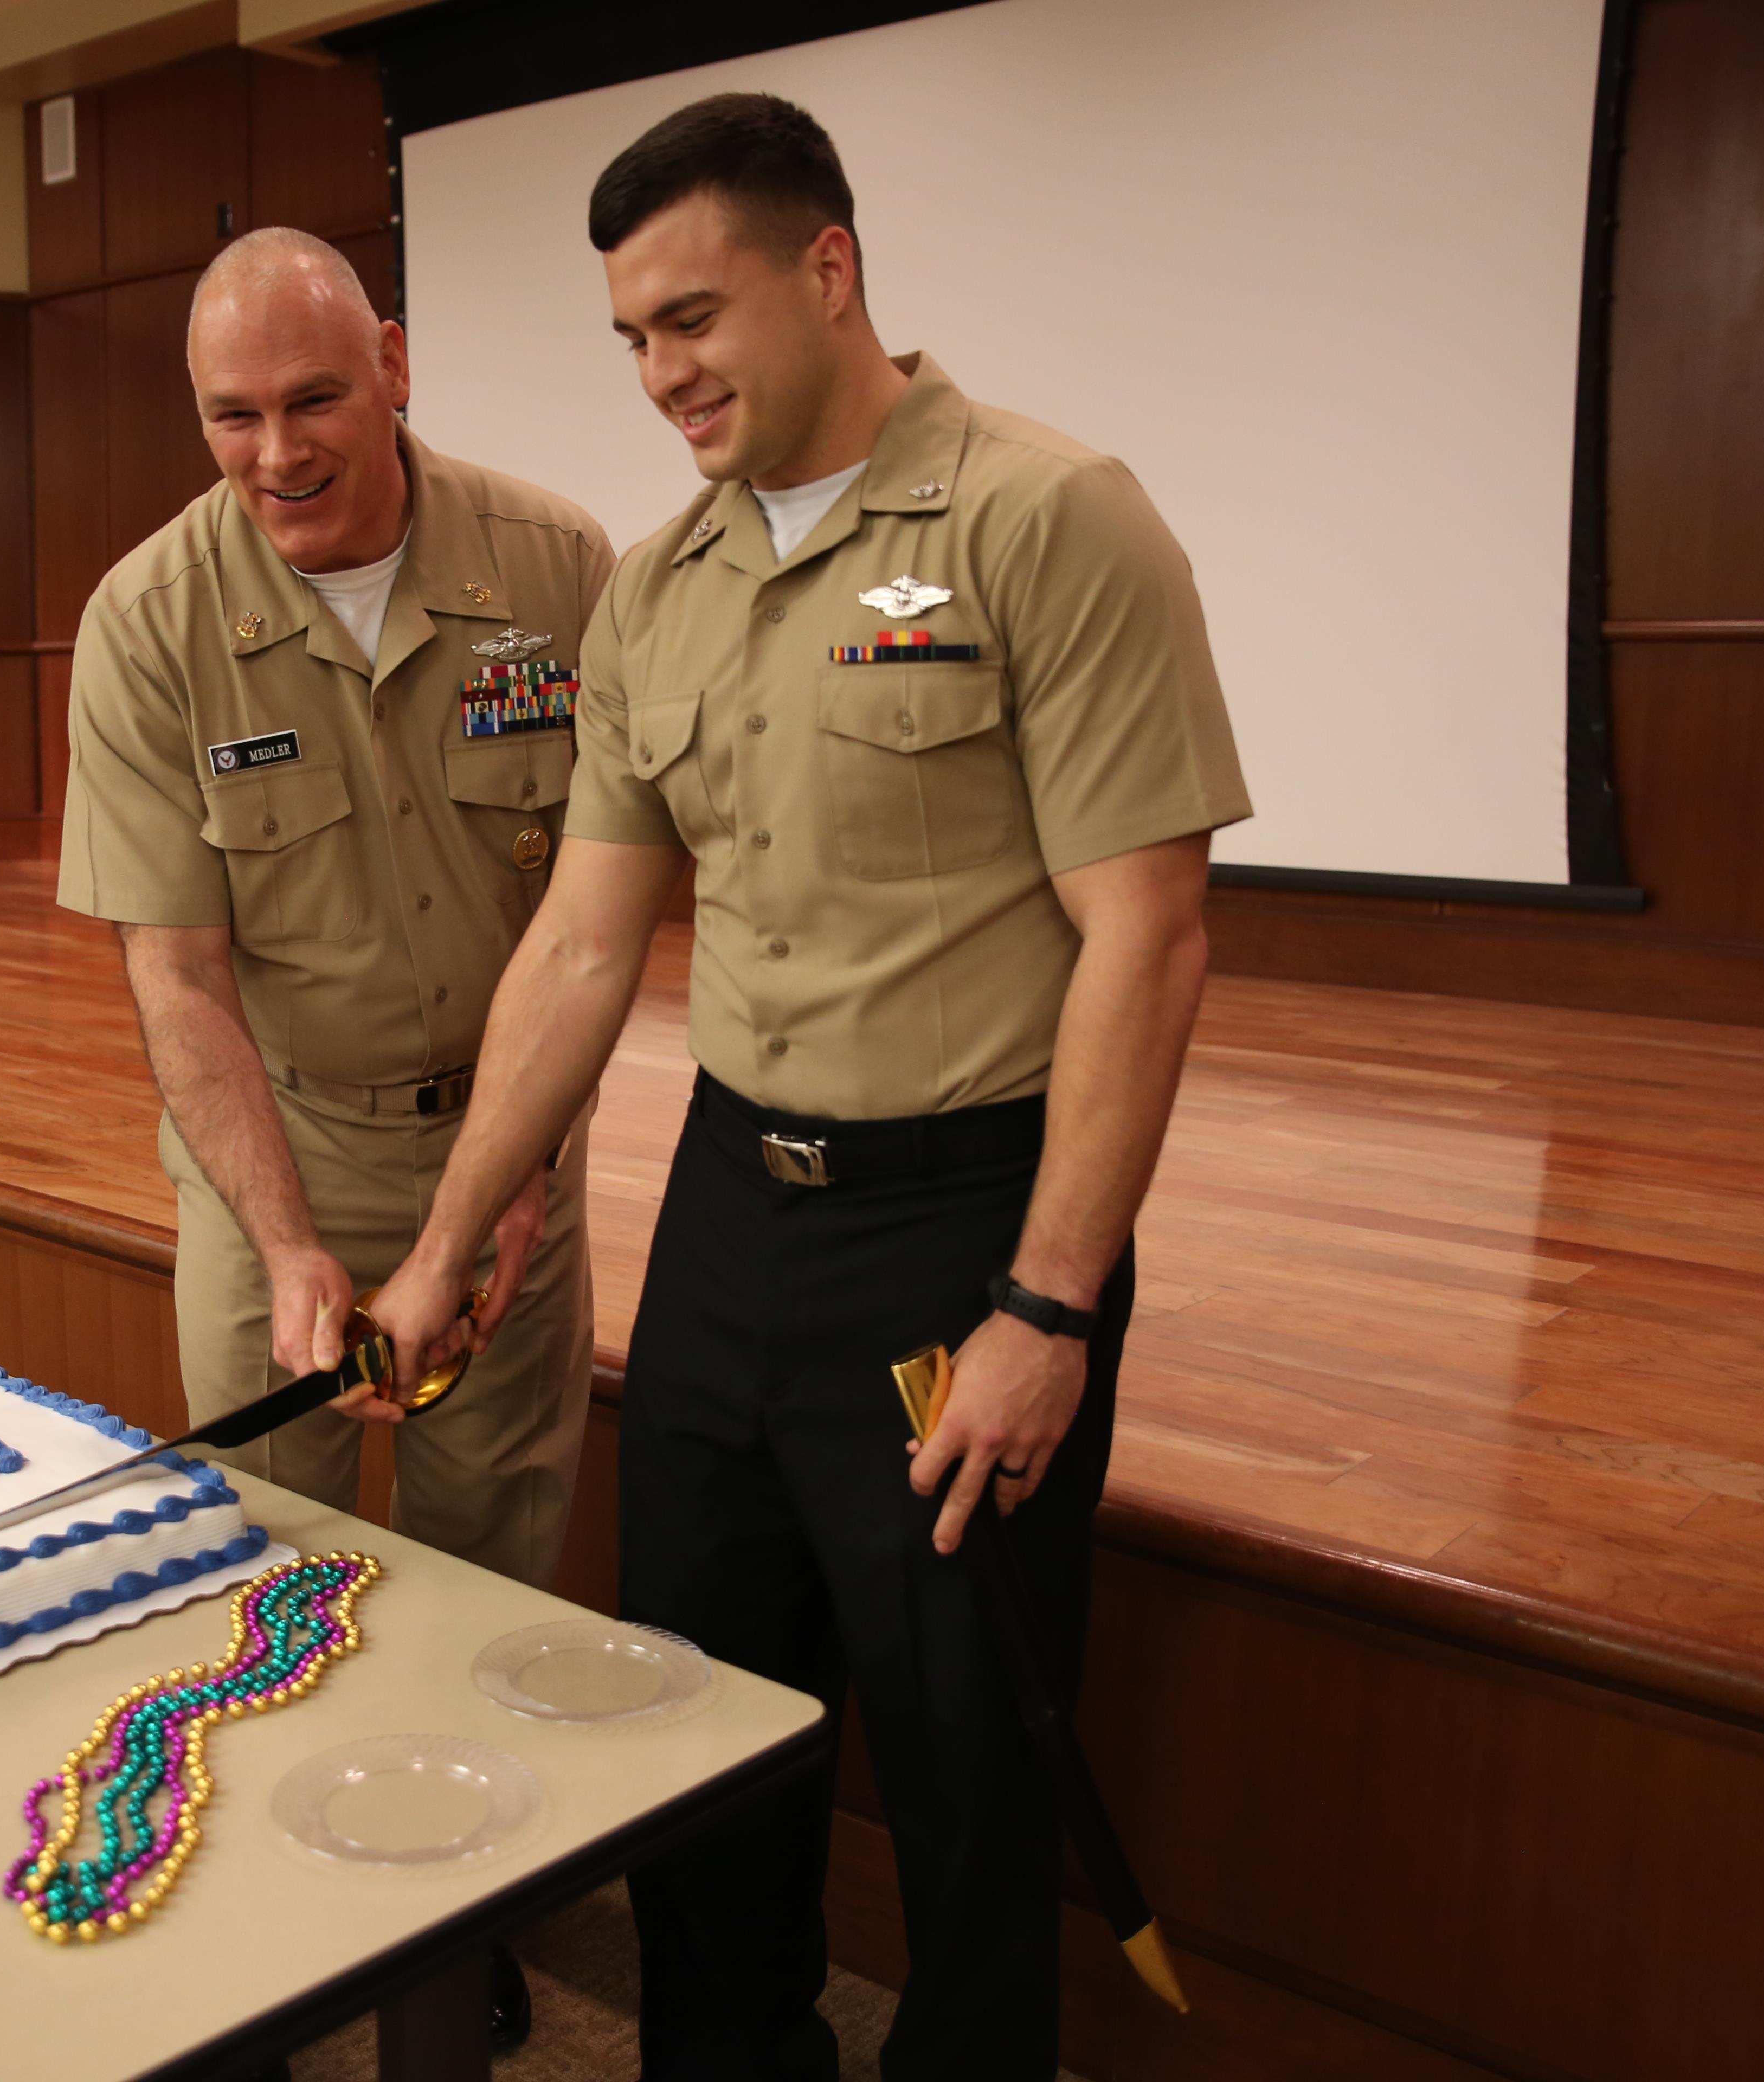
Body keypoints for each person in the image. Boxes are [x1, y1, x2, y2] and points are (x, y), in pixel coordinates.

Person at [363, 97, 1252, 2080]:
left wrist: (1051, 1307)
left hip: (960, 1242)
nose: (663, 372)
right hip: (726, 1235)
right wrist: (444, 1241)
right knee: (696, 1729)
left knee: (963, 1766)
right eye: (631, 339)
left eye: (694, 315)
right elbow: (585, 948)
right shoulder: (663, 585)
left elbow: (1151, 940)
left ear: (828, 269)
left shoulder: (1046, 519)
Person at [56, 226, 613, 2051]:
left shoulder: (559, 571)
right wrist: (292, 1252)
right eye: (232, 416)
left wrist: (522, 1178)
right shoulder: (150, 621)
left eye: (311, 400)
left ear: (391, 361)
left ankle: (456, 1920)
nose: (276, 452)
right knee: (254, 1553)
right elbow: (181, 986)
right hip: (273, 1154)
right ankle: (277, 1925)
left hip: (510, 1150)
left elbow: (594, 924)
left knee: (486, 1556)